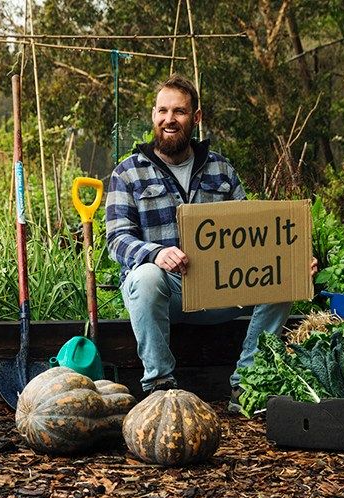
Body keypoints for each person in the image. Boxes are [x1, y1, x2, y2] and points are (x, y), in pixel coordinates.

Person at [105, 74, 317, 414]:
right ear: (153, 115)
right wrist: (156, 254)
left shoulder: (221, 170)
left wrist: (289, 261)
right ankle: (160, 389)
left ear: (196, 117)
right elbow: (117, 239)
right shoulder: (128, 173)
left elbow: (252, 235)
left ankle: (247, 385)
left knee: (285, 279)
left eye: (179, 111)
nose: (169, 119)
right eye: (162, 111)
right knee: (144, 278)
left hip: (221, 290)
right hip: (168, 292)